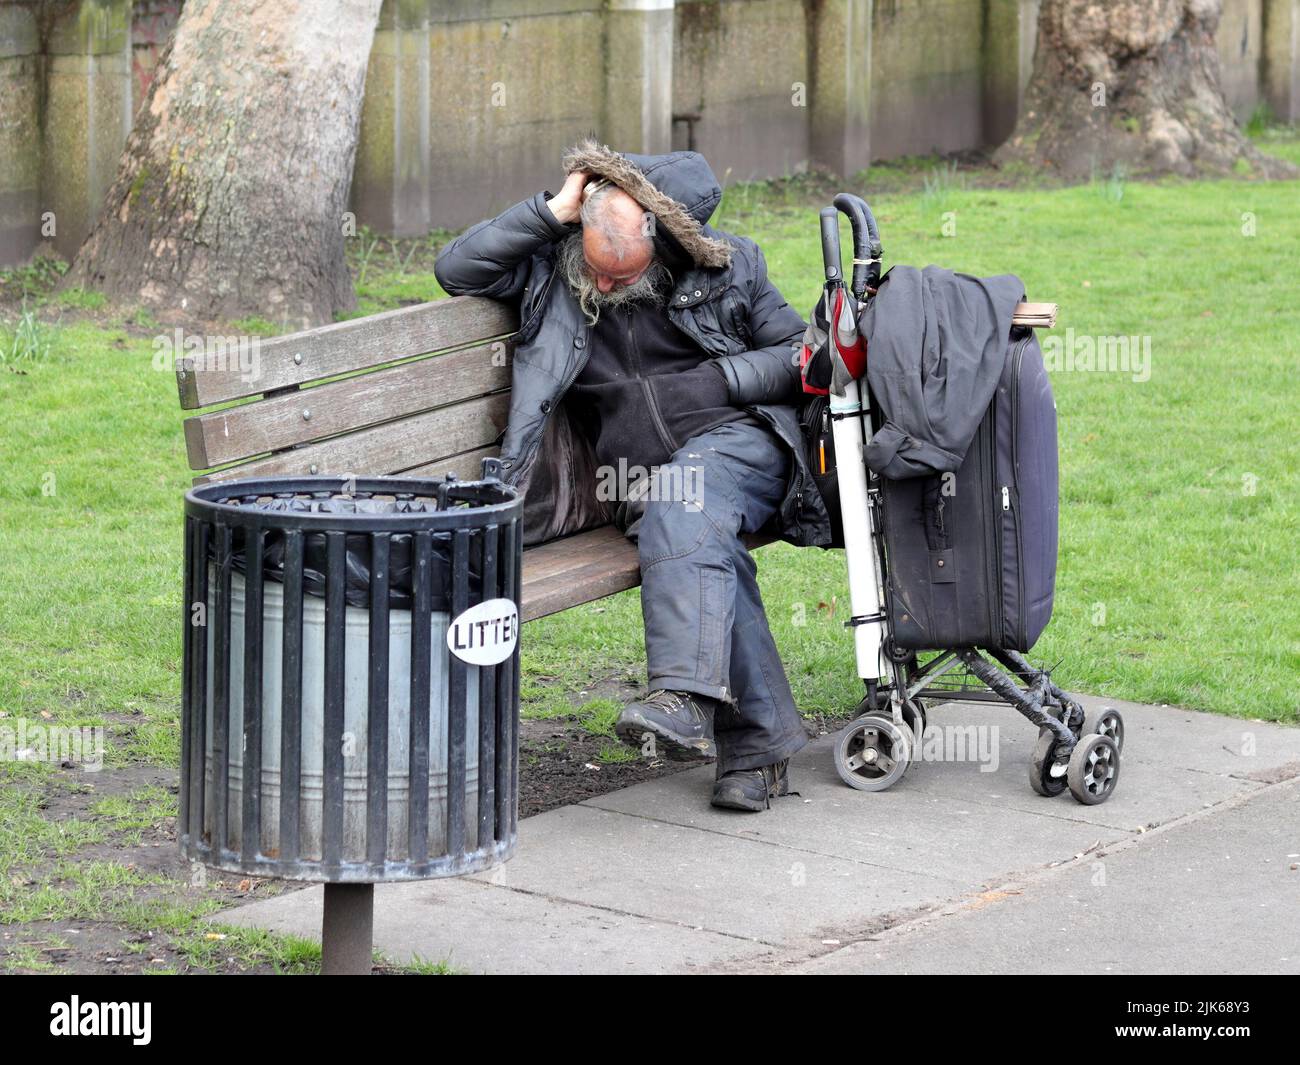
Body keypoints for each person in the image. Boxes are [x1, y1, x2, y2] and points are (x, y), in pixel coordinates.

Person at [434, 139, 832, 811]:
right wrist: (553, 210)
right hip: (636, 478)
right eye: (599, 271)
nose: (607, 287)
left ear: (665, 240)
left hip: (745, 446)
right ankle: (758, 750)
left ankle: (681, 698)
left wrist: (720, 377)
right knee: (694, 535)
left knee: (687, 502)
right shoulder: (551, 267)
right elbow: (454, 268)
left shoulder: (729, 265)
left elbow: (800, 353)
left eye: (623, 275)